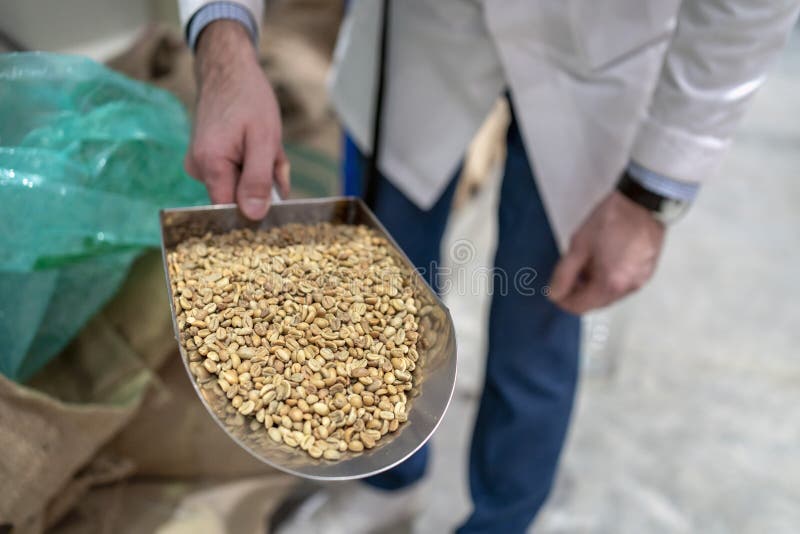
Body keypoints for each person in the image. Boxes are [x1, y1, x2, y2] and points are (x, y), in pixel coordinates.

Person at [177, 1, 800, 532]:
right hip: (422, 29)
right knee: (377, 286)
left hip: (601, 44)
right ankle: (388, 483)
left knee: (542, 310)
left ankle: (505, 518)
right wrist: (224, 44)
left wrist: (654, 189)